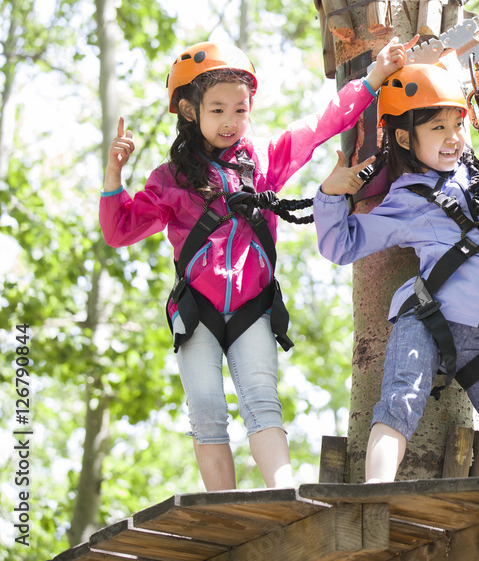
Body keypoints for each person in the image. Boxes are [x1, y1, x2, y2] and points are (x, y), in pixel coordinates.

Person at [100, 38, 408, 491]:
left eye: (240, 110)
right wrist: (113, 176)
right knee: (205, 407)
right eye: (218, 110)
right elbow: (119, 229)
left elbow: (319, 126)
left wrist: (374, 80)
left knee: (263, 402)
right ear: (190, 112)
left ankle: (284, 494)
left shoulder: (262, 162)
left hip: (252, 307)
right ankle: (222, 504)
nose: (230, 121)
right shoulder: (170, 181)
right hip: (197, 311)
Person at [313, 62, 479, 482]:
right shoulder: (409, 198)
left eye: (458, 125)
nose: (453, 138)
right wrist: (329, 196)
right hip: (427, 319)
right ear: (403, 137)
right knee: (400, 399)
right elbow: (342, 245)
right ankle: (376, 488)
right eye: (437, 128)